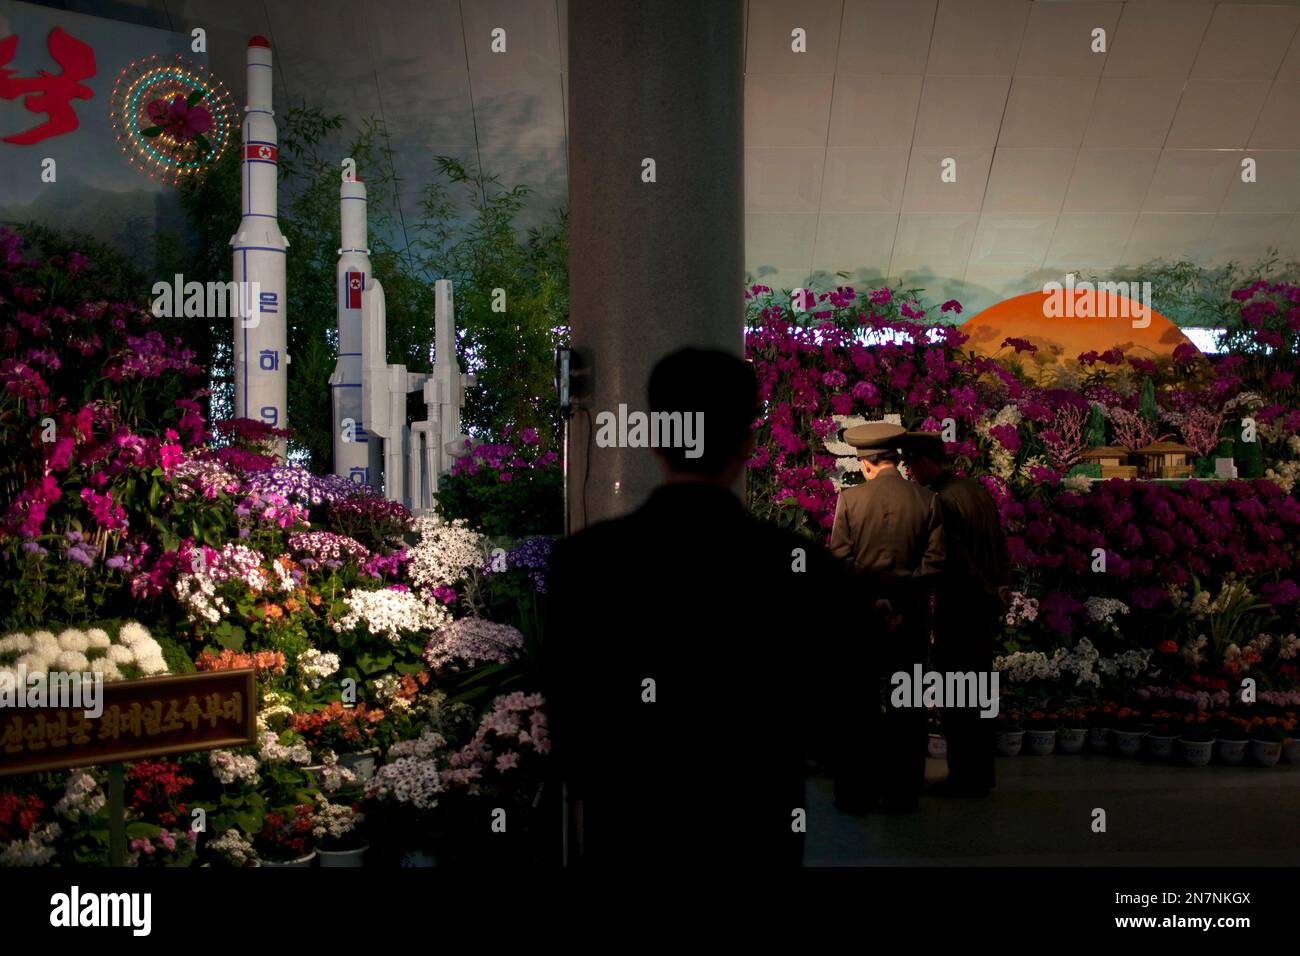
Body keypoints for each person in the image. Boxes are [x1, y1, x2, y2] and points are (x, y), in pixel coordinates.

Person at [543, 348, 840, 867]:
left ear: (656, 438)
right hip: (755, 836)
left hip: (631, 836)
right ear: (748, 443)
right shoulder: (803, 567)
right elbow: (836, 727)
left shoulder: (585, 562)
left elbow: (569, 723)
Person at [828, 423, 945, 814]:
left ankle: (856, 794)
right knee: (907, 711)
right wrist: (900, 605)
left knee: (857, 708)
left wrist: (875, 601)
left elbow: (840, 563)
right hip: (909, 622)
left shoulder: (851, 500)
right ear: (897, 458)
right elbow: (934, 564)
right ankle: (902, 795)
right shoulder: (927, 500)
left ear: (865, 463)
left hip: (862, 623)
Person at [899, 432, 1009, 798]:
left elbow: (954, 560)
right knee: (977, 695)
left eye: (911, 464)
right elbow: (998, 545)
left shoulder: (941, 500)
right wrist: (999, 590)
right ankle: (981, 774)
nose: (910, 472)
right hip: (984, 607)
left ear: (925, 462)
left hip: (961, 607)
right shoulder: (976, 491)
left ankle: (965, 778)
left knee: (957, 699)